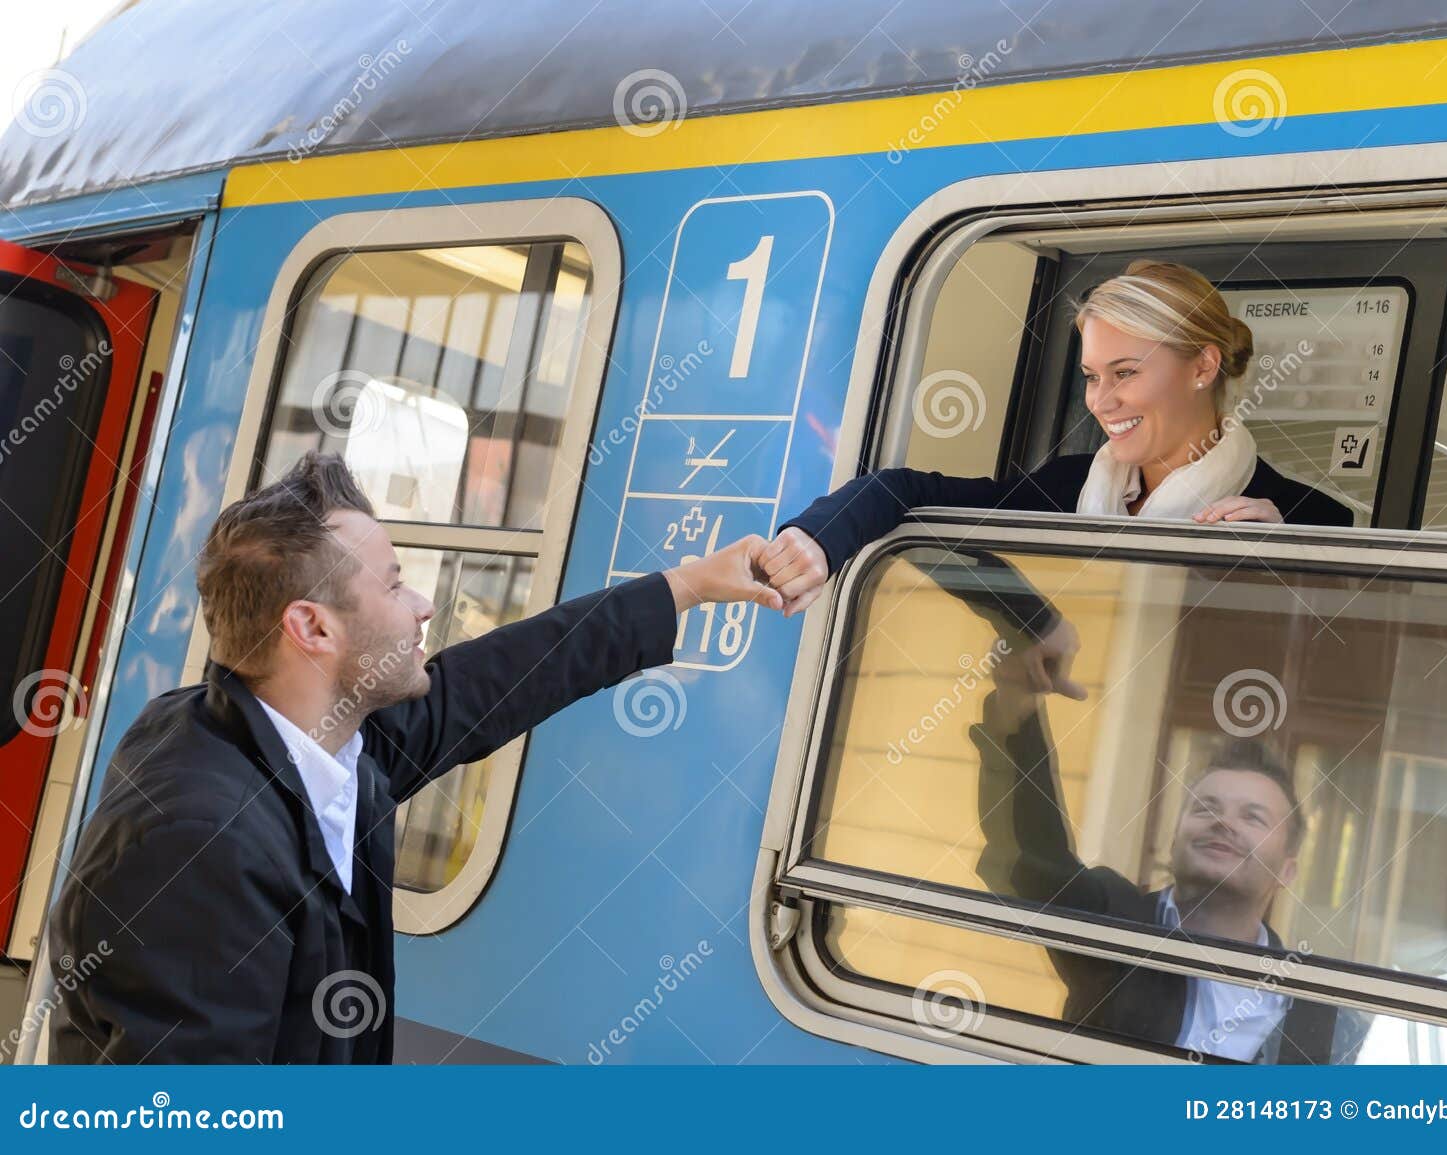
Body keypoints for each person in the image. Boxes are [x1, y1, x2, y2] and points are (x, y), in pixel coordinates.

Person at [47, 452, 779, 1063]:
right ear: (312, 627)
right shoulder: (197, 843)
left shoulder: (317, 735)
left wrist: (689, 585)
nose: (423, 603)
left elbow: (501, 680)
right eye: (394, 582)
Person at [760, 260, 1353, 617]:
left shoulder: (1310, 520)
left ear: (1202, 367)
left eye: (1126, 373)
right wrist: (816, 542)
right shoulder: (1067, 486)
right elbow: (905, 492)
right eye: (1093, 378)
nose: (1101, 401)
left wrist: (1287, 564)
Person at [971, 673, 1366, 1063]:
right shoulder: (1116, 921)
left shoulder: (1320, 1016)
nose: (1223, 822)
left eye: (1253, 817)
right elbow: (1029, 852)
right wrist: (1017, 705)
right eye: (1205, 807)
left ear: (1287, 871)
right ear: (1175, 840)